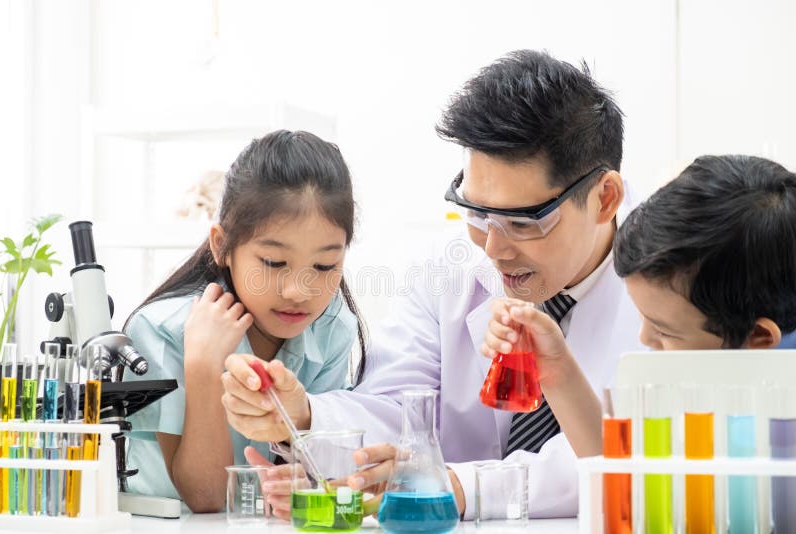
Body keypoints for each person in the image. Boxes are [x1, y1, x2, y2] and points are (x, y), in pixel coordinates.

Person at [222, 49, 645, 519]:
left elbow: (632, 455)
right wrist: (303, 415)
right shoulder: (447, 270)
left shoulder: (667, 291)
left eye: (524, 222)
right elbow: (398, 410)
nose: (493, 248)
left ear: (604, 198)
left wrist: (460, 487)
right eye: (477, 212)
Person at [483, 154, 796, 454]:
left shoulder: (778, 422)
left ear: (758, 337)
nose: (644, 337)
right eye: (644, 317)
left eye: (665, 331)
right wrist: (557, 369)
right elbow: (618, 462)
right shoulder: (690, 376)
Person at [122, 130, 366, 512]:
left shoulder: (331, 328)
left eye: (324, 265)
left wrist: (306, 475)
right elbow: (206, 497)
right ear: (222, 245)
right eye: (273, 263)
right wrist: (203, 367)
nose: (298, 291)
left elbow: (314, 477)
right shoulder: (161, 330)